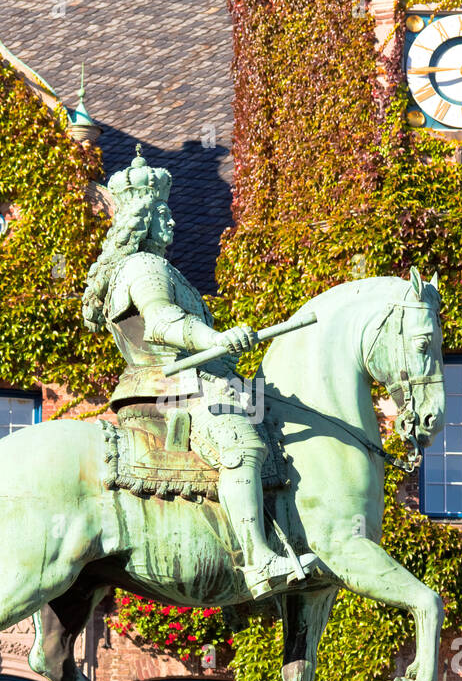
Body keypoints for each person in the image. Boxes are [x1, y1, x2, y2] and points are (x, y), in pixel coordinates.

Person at [83, 147, 315, 599]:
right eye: (163, 213)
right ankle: (258, 559)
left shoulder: (156, 267)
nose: (171, 221)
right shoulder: (145, 266)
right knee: (241, 446)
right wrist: (217, 338)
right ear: (143, 219)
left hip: (186, 383)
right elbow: (161, 322)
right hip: (173, 388)